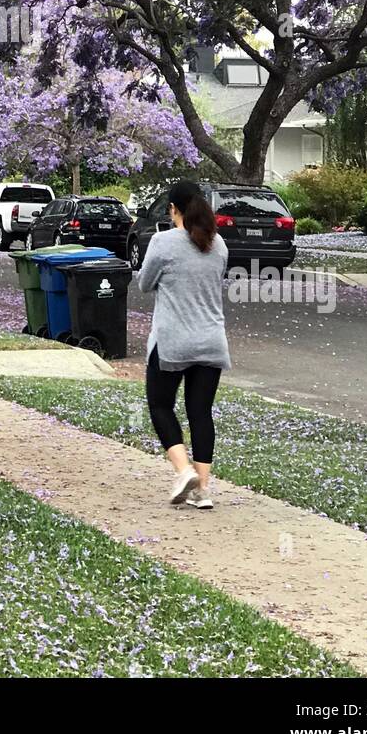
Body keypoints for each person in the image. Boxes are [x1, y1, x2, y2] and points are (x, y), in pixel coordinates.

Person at [137, 179, 230, 508]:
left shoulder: (163, 242)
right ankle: (202, 490)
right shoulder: (219, 245)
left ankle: (183, 470)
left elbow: (145, 284)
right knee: (200, 412)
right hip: (211, 340)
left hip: (173, 340)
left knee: (161, 405)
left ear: (173, 209)